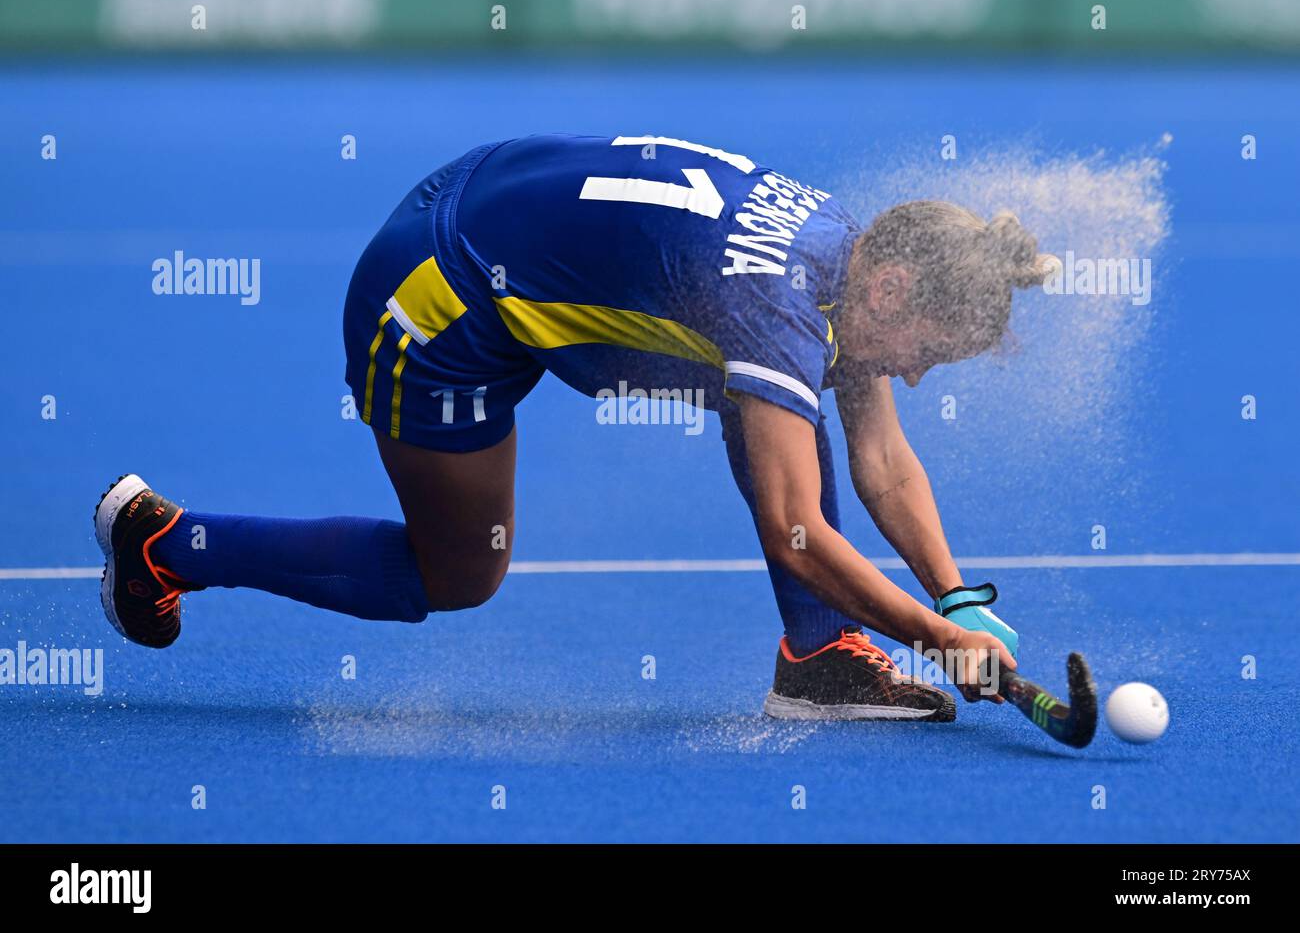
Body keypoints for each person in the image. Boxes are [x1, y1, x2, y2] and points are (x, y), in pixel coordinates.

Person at [95, 134, 1057, 721]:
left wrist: (956, 596)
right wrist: (935, 640)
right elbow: (795, 534)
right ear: (892, 284)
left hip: (487, 198)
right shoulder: (781, 308)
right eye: (931, 348)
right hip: (439, 301)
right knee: (461, 572)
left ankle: (821, 658)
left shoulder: (845, 248)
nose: (920, 375)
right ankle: (167, 545)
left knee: (786, 391)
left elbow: (881, 458)